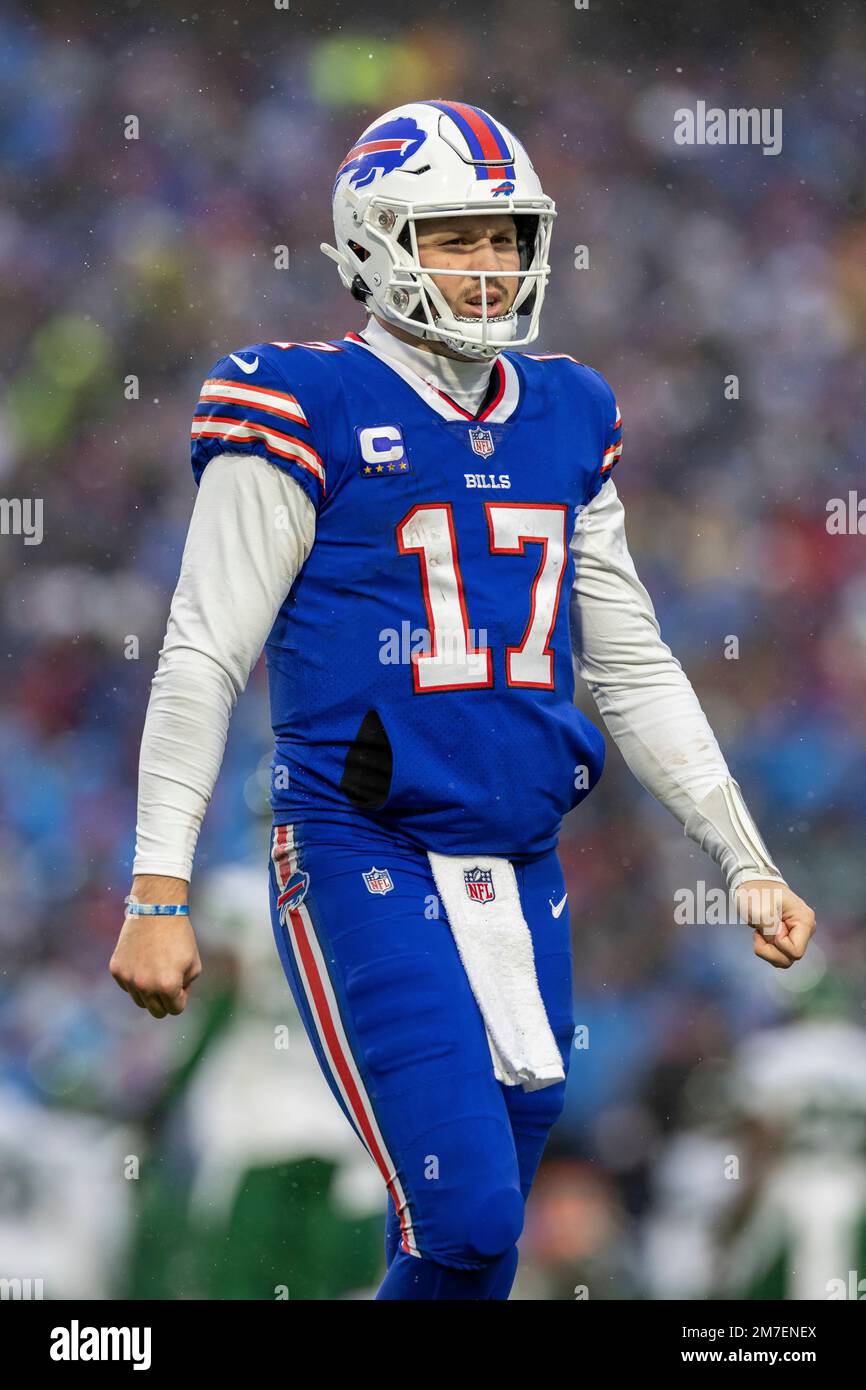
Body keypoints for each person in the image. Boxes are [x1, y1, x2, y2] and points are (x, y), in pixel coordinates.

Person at [110, 99, 816, 1300]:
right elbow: (201, 652)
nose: (487, 267)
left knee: (475, 1245)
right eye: (452, 237)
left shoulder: (566, 411)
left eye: (502, 237)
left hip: (519, 860)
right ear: (375, 241)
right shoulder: (299, 402)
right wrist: (157, 884)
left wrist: (740, 854)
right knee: (468, 1210)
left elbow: (629, 658)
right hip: (359, 842)